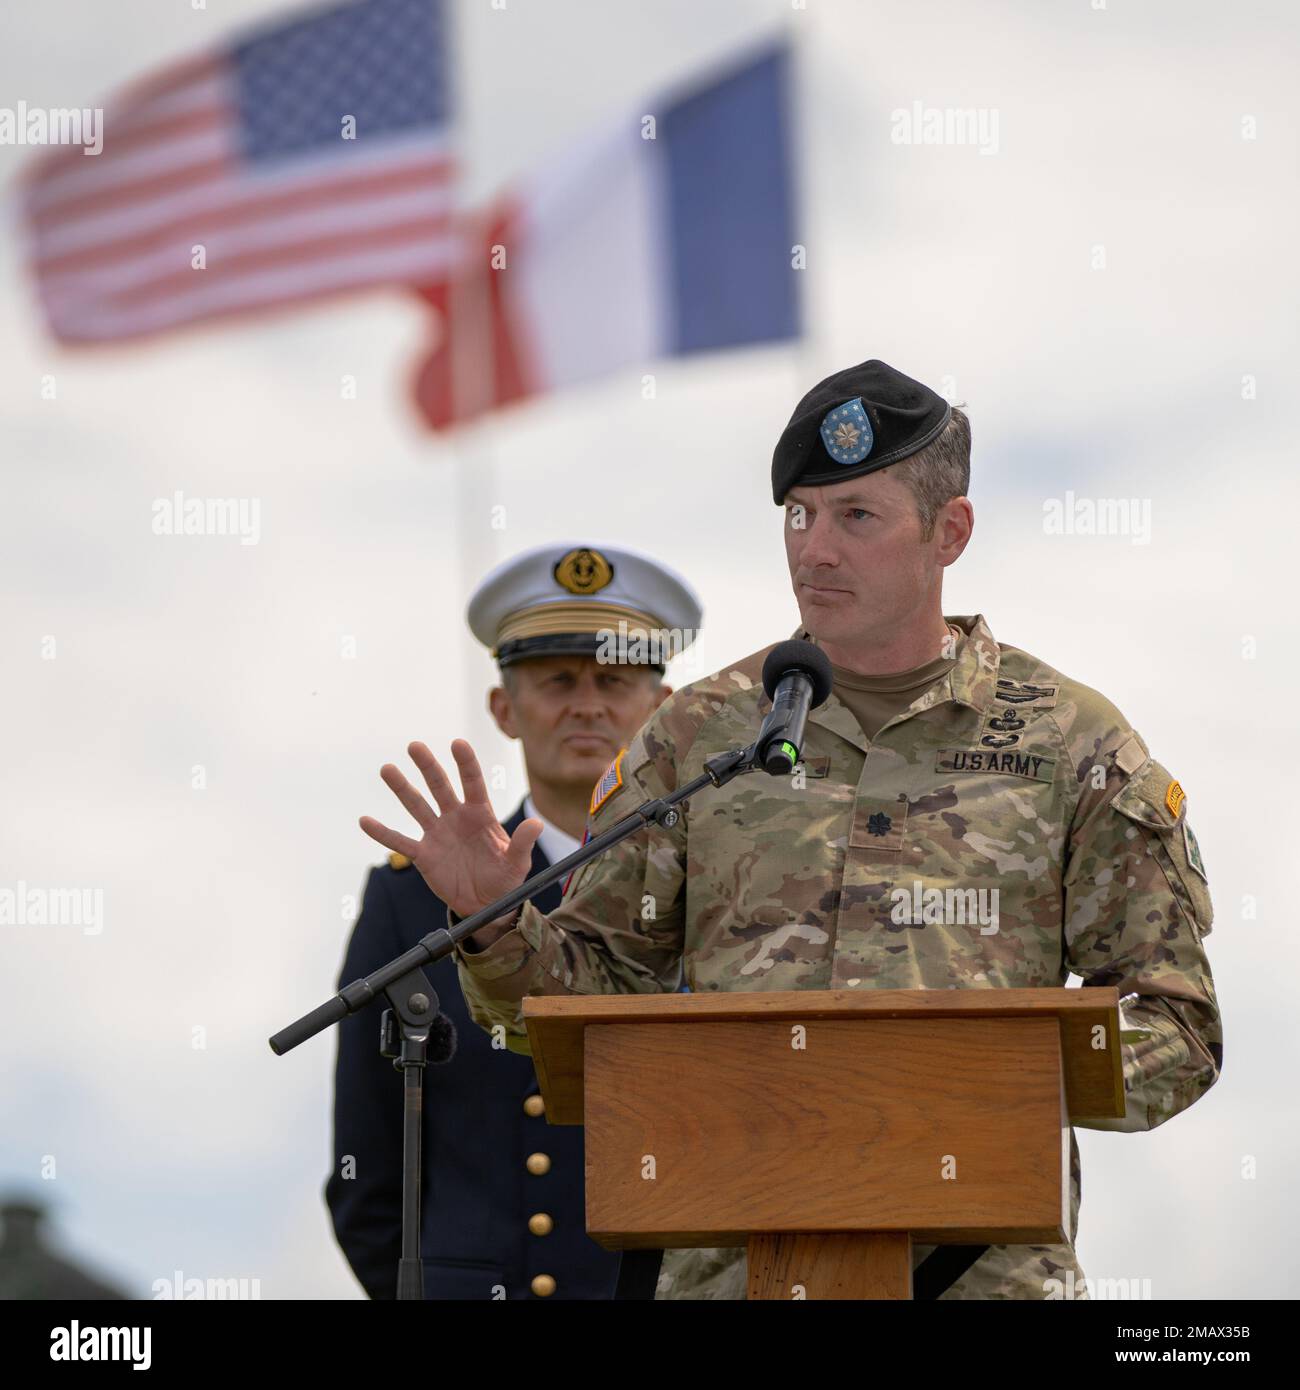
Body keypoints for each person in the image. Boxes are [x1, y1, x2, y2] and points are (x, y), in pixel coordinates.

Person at [359, 361, 1221, 1300]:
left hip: (986, 1278)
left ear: (951, 532)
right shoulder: (699, 735)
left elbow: (1177, 1026)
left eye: (856, 516)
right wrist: (495, 928)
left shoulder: (1070, 740)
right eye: (798, 515)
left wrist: (988, 1084)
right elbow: (593, 1003)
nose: (814, 550)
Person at [329, 542, 703, 1299]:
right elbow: (368, 1173)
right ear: (504, 708)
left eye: (614, 679)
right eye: (558, 680)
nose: (587, 703)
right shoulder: (411, 899)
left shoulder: (717, 885)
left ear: (663, 708)